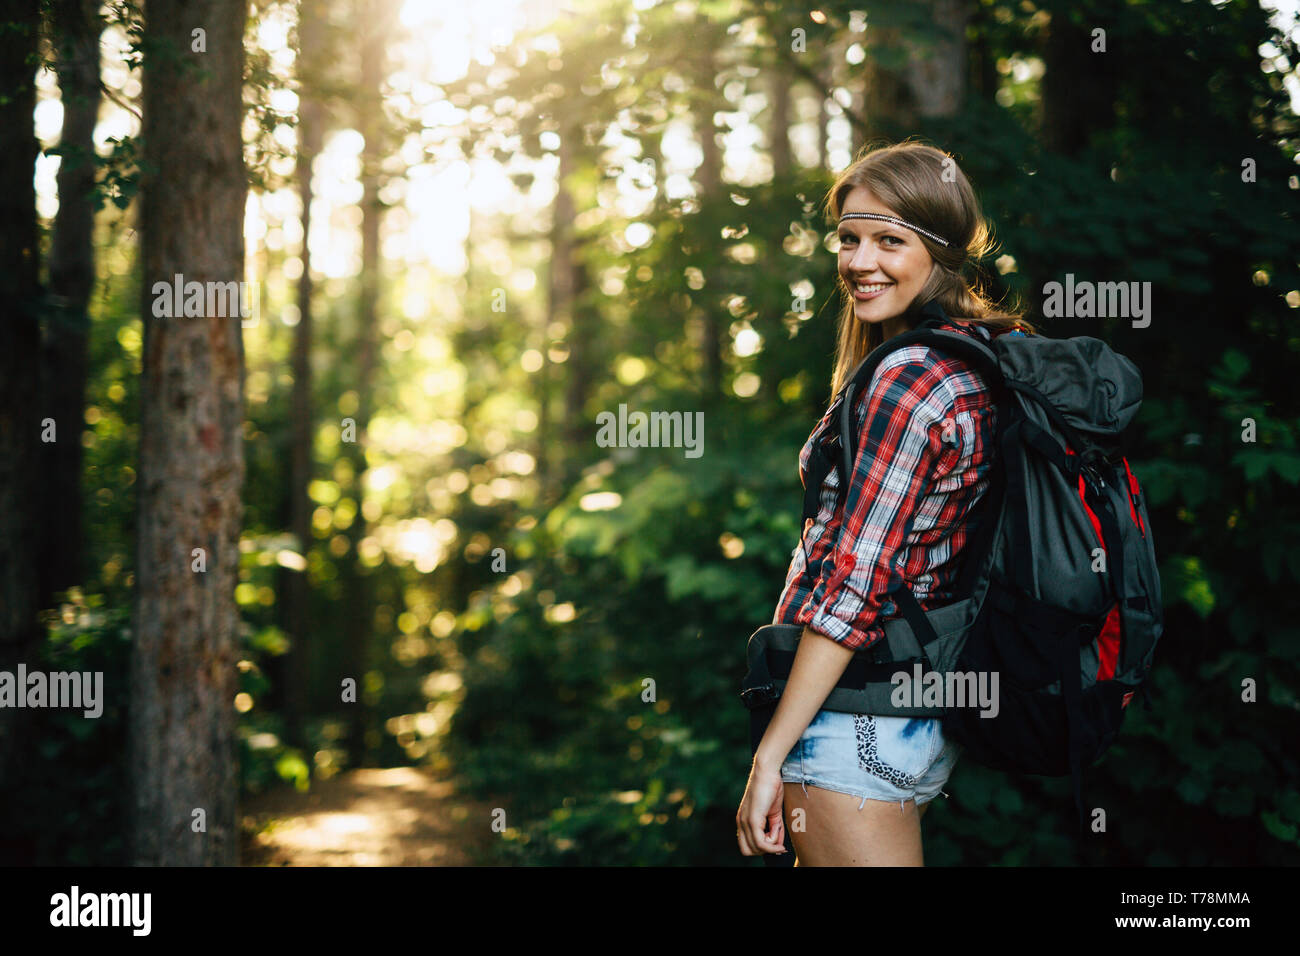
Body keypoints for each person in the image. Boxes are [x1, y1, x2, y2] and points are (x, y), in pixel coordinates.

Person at [736, 140, 1035, 866]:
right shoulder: (977, 355)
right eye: (849, 238)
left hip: (849, 724)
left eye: (890, 240)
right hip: (913, 716)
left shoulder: (908, 377)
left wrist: (770, 754)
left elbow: (853, 586)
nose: (859, 261)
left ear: (940, 250)